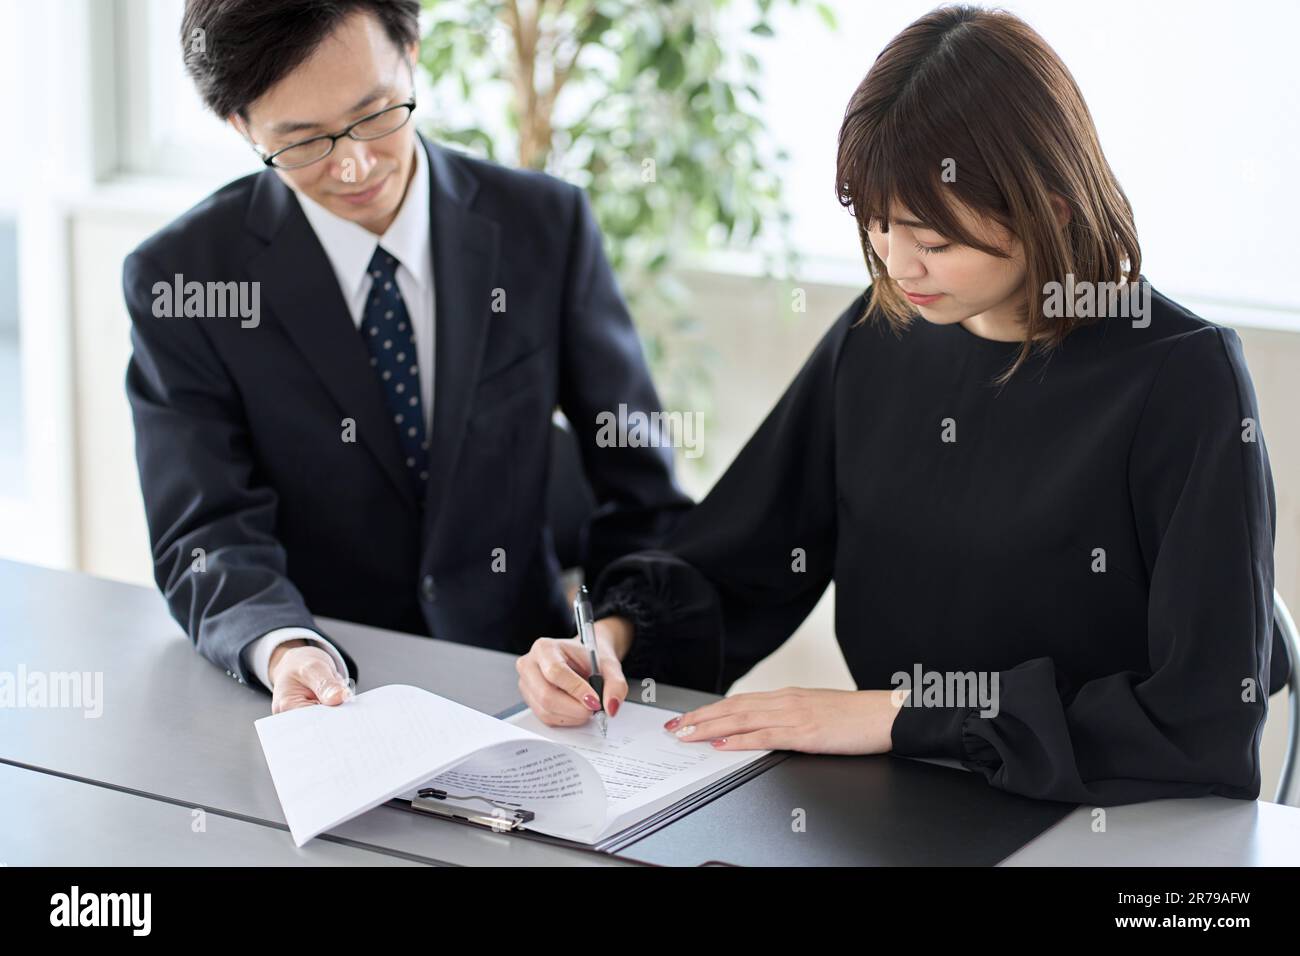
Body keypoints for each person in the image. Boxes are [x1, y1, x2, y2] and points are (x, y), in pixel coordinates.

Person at [515, 5, 1286, 805]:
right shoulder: (880, 333)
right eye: (876, 222)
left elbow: (1199, 725)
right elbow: (744, 557)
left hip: (1099, 825)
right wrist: (609, 640)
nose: (896, 261)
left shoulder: (1182, 380)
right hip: (897, 806)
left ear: (1049, 205)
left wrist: (896, 716)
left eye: (934, 239)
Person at [124, 0, 690, 714]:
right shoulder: (186, 281)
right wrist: (286, 648)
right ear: (239, 125)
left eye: (376, 114)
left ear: (412, 50)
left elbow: (643, 494)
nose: (355, 164)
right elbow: (205, 532)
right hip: (323, 699)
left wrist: (607, 633)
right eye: (304, 142)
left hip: (528, 690)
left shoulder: (544, 228)